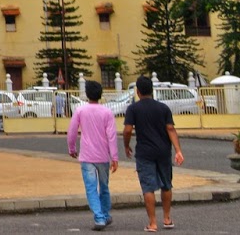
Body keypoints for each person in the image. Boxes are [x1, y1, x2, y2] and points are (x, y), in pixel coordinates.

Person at [123, 75, 184, 232]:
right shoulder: (163, 108)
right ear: (152, 90)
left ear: (137, 91)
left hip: (144, 152)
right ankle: (167, 218)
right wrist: (178, 150)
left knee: (148, 187)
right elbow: (170, 129)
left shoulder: (133, 109)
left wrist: (126, 145)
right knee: (166, 184)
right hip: (164, 151)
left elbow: (128, 130)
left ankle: (152, 223)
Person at [67, 79, 119, 231]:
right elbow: (112, 136)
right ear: (100, 95)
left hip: (87, 156)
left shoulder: (80, 111)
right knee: (104, 186)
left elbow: (71, 132)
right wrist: (114, 157)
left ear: (87, 95)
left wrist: (72, 148)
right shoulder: (107, 112)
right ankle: (104, 213)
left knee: (90, 188)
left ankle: (99, 217)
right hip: (103, 156)